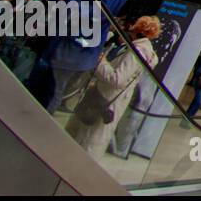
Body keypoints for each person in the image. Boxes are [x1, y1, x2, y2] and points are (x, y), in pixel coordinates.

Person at [28, 0, 133, 113]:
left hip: (77, 46)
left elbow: (100, 13)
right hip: (61, 37)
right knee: (38, 82)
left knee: (53, 90)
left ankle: (36, 127)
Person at [66, 16, 160, 160]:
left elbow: (117, 79)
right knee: (93, 136)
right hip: (110, 100)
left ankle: (76, 166)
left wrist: (101, 62)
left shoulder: (137, 52)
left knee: (91, 138)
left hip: (106, 98)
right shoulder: (143, 51)